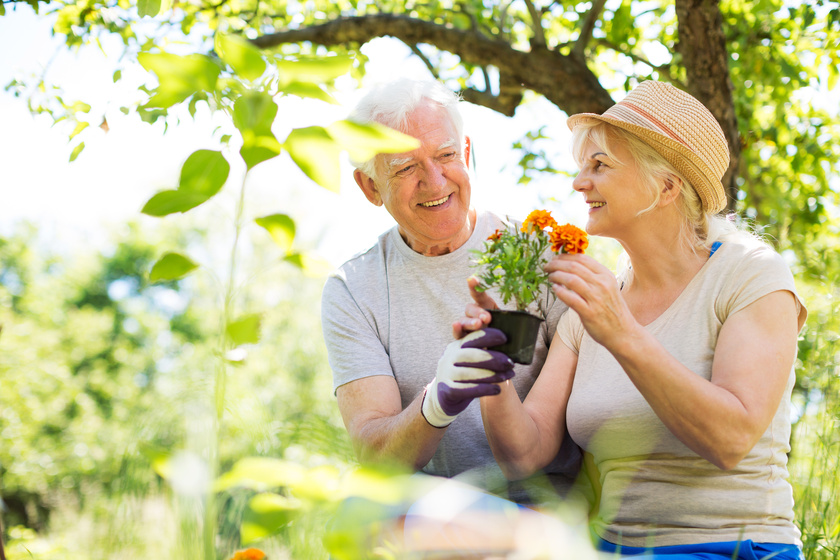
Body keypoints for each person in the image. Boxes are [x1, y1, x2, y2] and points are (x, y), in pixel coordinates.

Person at [454, 80, 808, 559]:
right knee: (432, 521)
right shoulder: (596, 307)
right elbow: (524, 455)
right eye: (582, 168)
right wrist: (491, 369)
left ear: (665, 185)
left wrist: (621, 332)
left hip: (733, 548)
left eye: (600, 166)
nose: (580, 183)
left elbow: (731, 439)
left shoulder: (750, 274)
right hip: (611, 550)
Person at [320, 77, 581, 504]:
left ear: (467, 153)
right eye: (405, 168)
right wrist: (435, 402)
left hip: (545, 509)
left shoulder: (539, 253)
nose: (435, 181)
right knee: (359, 504)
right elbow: (374, 455)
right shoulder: (354, 289)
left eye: (445, 156)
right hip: (430, 507)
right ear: (369, 187)